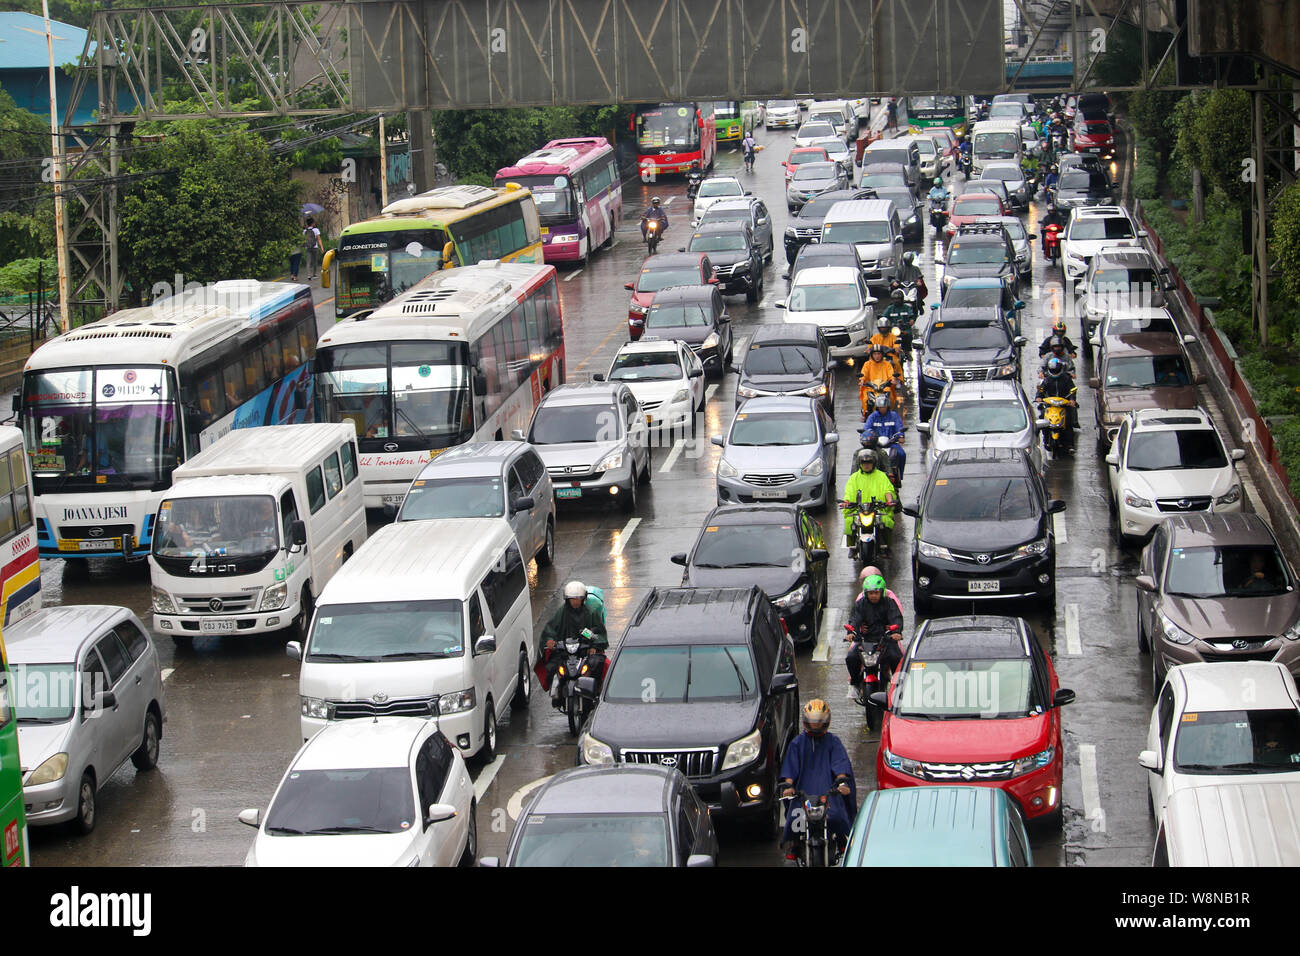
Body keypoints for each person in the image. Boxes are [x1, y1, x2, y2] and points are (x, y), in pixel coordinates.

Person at [778, 699, 857, 860]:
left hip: (829, 792)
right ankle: (794, 843)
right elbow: (790, 769)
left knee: (837, 816)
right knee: (795, 817)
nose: (815, 726)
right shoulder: (797, 743)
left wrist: (842, 781)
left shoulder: (833, 742)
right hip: (803, 794)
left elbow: (840, 763)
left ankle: (841, 839)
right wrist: (788, 785)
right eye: (812, 722)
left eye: (818, 722)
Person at [539, 581, 608, 699]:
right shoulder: (561, 613)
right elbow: (550, 629)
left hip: (585, 651)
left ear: (583, 599)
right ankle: (557, 692)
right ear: (567, 599)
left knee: (601, 665)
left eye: (578, 599)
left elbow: (599, 634)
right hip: (565, 650)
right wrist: (550, 640)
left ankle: (598, 690)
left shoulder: (591, 613)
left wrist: (594, 646)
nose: (575, 602)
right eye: (572, 599)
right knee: (550, 666)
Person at [846, 574, 904, 691]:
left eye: (876, 593)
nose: (873, 596)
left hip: (886, 640)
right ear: (866, 593)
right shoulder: (861, 604)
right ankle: (855, 683)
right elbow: (855, 619)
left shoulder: (889, 603)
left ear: (882, 592)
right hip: (866, 640)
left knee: (897, 657)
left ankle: (898, 686)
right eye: (870, 593)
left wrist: (896, 632)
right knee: (851, 657)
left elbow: (896, 618)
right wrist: (851, 632)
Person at [840, 448, 896, 550]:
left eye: (869, 462)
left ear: (874, 463)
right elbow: (849, 492)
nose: (866, 465)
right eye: (864, 462)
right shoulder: (854, 478)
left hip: (878, 509)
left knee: (886, 522)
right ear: (860, 463)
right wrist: (846, 502)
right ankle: (852, 547)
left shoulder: (881, 476)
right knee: (849, 522)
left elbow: (888, 490)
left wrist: (889, 500)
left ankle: (887, 547)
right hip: (859, 509)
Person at [863, 393, 906, 485]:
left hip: (891, 443)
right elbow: (867, 428)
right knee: (863, 455)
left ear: (888, 406)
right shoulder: (872, 417)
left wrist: (901, 436)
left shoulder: (894, 415)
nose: (883, 409)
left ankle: (899, 477)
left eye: (884, 407)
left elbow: (899, 427)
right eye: (881, 407)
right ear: (877, 407)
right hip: (876, 444)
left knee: (902, 454)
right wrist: (865, 436)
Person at [1036, 355, 1079, 440]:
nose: (1055, 372)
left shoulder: (1066, 378)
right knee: (1041, 418)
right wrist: (1038, 397)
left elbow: (1072, 389)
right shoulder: (1047, 380)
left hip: (1064, 404)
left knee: (1069, 420)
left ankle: (1070, 443)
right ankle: (1043, 437)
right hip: (1050, 404)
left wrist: (1072, 399)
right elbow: (1041, 390)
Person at [858, 344, 900, 417]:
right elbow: (864, 374)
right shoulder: (867, 364)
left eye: (879, 354)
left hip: (884, 388)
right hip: (871, 388)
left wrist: (893, 380)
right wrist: (862, 380)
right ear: (871, 355)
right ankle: (866, 415)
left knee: (891, 398)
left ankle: (891, 414)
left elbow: (891, 374)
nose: (877, 356)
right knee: (866, 400)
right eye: (875, 354)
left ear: (882, 354)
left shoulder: (887, 364)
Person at [302, 217, 324, 281]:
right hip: (315, 247)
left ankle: (308, 275)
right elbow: (319, 239)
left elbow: (303, 240)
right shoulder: (316, 230)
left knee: (308, 262)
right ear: (312, 223)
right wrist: (322, 248)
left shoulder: (304, 231)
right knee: (315, 261)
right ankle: (314, 275)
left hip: (308, 247)